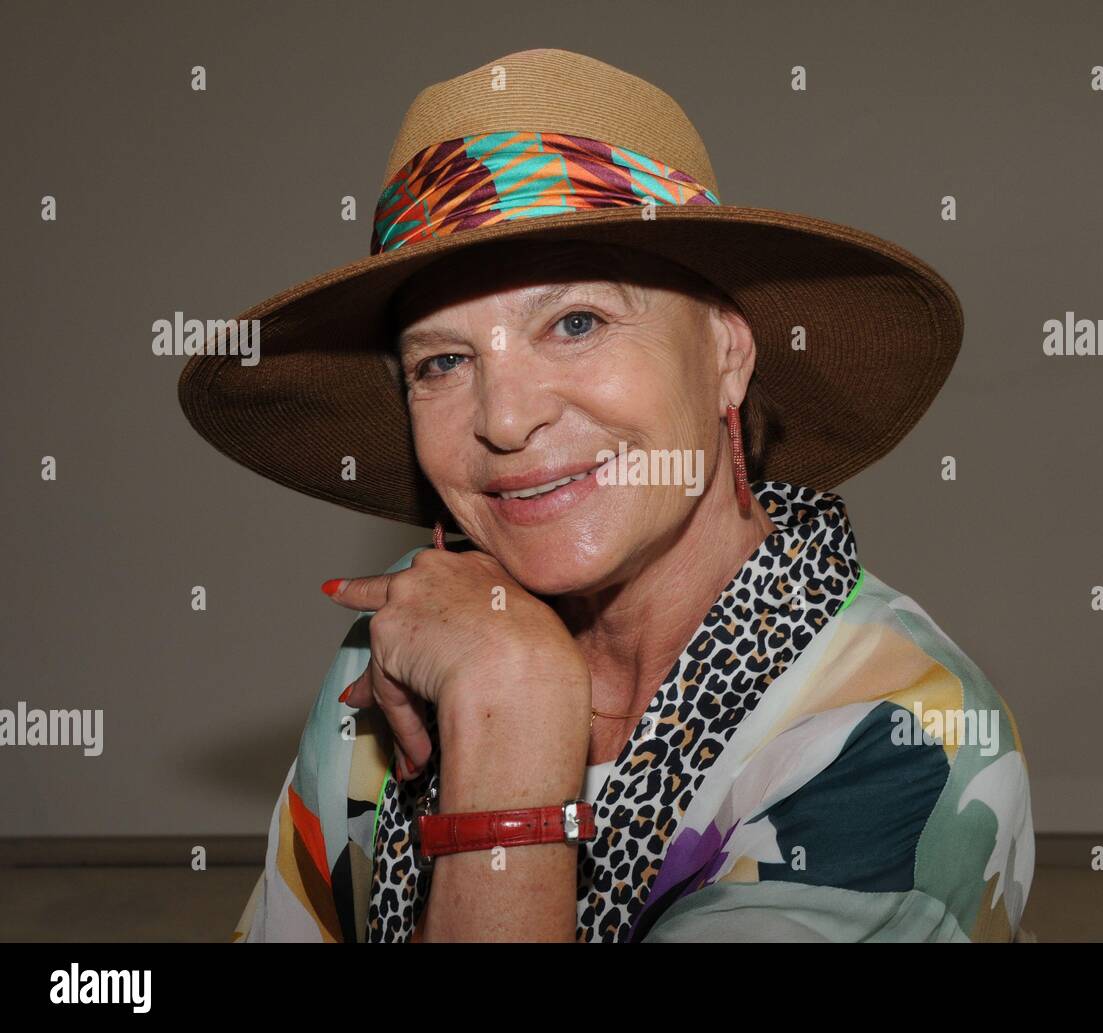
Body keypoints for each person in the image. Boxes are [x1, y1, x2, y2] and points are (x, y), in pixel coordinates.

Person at [179, 48, 1034, 943]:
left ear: (727, 357)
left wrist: (509, 727)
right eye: (442, 361)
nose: (505, 420)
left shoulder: (899, 742)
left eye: (577, 322)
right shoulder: (403, 641)